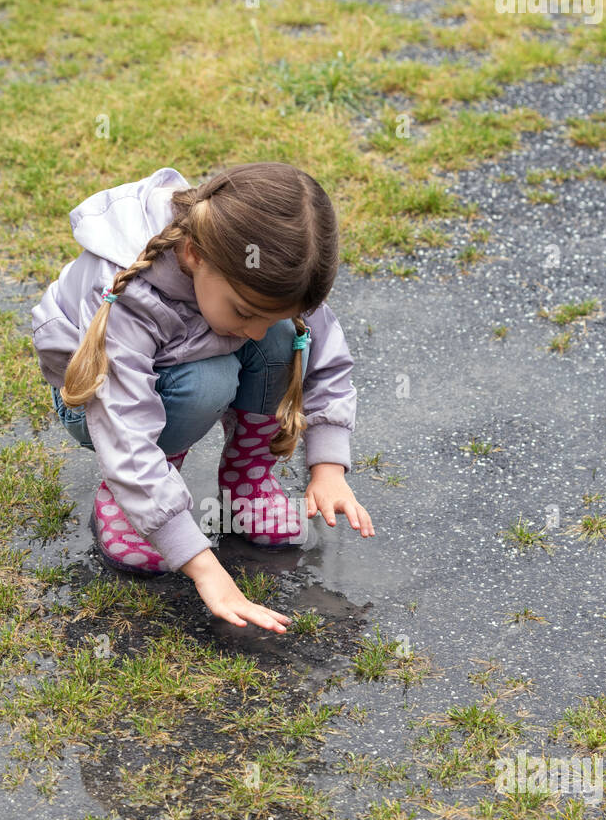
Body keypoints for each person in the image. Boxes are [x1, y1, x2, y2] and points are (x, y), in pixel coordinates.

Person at [31, 162, 374, 634]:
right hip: (94, 402)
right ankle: (127, 501)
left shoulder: (261, 271)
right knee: (207, 381)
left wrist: (329, 467)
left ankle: (248, 481)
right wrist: (206, 569)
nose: (253, 327)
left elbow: (324, 356)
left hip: (183, 359)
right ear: (193, 254)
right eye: (243, 311)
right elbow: (123, 428)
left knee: (282, 336)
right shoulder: (129, 294)